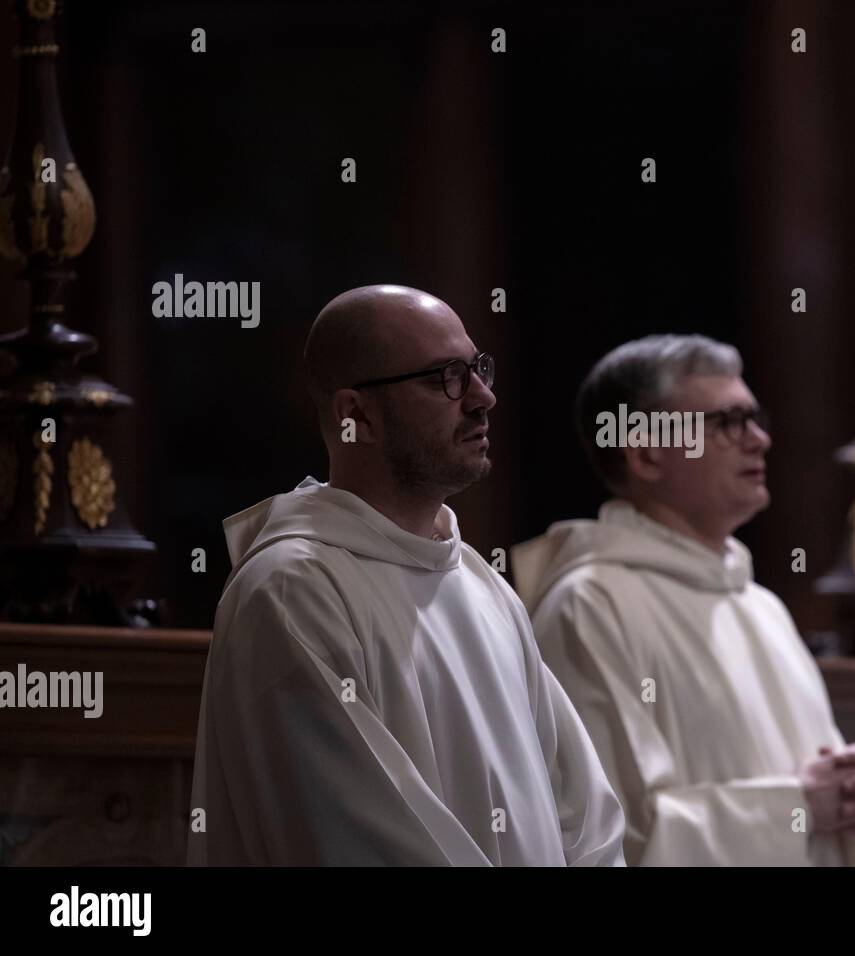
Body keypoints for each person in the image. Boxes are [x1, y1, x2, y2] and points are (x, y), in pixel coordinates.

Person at [189, 285, 625, 866]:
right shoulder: (293, 590)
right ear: (355, 415)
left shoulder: (481, 585)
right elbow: (362, 844)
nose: (483, 398)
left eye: (478, 369)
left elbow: (586, 819)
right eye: (445, 377)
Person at [512, 334, 855, 866]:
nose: (759, 439)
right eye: (727, 423)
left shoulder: (761, 606)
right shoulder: (592, 605)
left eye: (755, 418)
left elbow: (822, 795)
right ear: (647, 453)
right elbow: (615, 837)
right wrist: (799, 806)